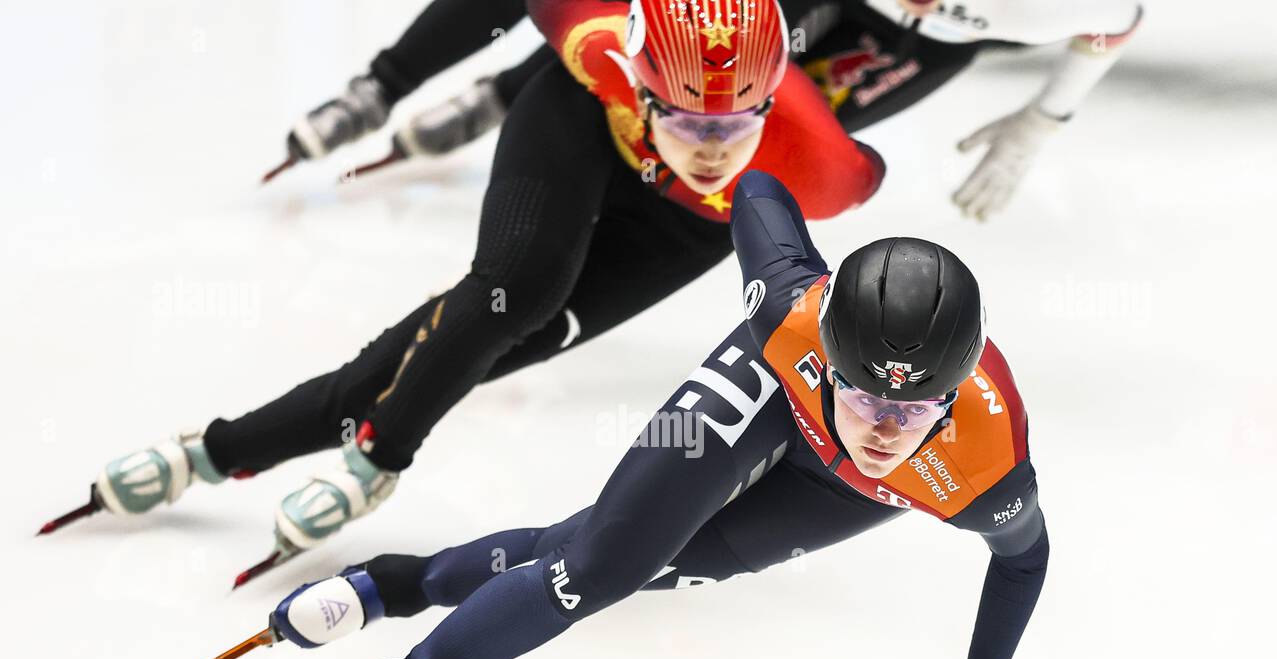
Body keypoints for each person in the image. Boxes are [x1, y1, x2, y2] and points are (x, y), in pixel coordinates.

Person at [229, 170, 1051, 659]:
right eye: (866, 396)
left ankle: (399, 584)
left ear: (950, 402)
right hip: (767, 392)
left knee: (599, 551)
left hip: (838, 490)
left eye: (911, 411)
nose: (884, 427)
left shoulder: (985, 468)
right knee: (596, 568)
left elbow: (1024, 566)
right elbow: (762, 187)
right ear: (830, 359)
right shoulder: (789, 313)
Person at [63, 0, 884, 580]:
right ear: (638, 85)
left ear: (773, 107)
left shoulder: (825, 167)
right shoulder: (592, 35)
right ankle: (375, 461)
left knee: (486, 344)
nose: (709, 147)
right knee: (513, 291)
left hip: (680, 225)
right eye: (683, 119)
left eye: (735, 124)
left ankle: (215, 452)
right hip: (581, 123)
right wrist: (391, 87)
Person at [280, 0, 1142, 221]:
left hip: (943, 46)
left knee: (769, 124)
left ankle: (509, 98)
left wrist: (1043, 122)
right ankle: (399, 84)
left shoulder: (1057, 6)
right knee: (715, 49)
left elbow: (1114, 27)